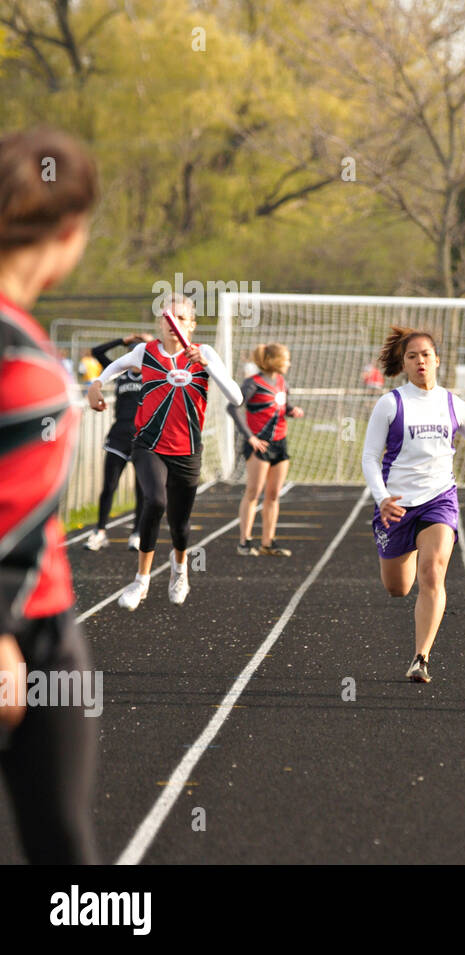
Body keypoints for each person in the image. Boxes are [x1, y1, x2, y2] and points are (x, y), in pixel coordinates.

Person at [0, 126, 100, 863]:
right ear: (69, 232)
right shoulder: (26, 366)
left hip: (37, 624)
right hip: (27, 631)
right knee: (64, 848)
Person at [88, 294, 255, 610]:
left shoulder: (204, 353)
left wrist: (207, 366)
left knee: (180, 525)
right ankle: (142, 580)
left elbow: (236, 398)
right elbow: (111, 369)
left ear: (191, 324)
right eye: (168, 318)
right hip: (148, 445)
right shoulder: (145, 352)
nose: (173, 324)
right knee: (155, 501)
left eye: (181, 318)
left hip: (187, 450)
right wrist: (95, 384)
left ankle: (180, 569)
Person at [361, 326, 465, 684]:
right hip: (398, 505)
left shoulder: (453, 403)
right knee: (398, 588)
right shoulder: (391, 403)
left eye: (425, 355)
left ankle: (421, 657)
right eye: (412, 356)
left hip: (440, 500)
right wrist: (381, 497)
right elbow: (370, 457)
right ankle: (399, 559)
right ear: (403, 364)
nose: (420, 361)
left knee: (433, 572)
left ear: (437, 359)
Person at [83, 332, 153, 552]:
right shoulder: (118, 372)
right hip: (118, 437)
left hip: (142, 438)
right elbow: (96, 353)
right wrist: (124, 340)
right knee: (109, 486)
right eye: (133, 350)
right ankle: (100, 532)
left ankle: (137, 533)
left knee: (141, 489)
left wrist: (151, 343)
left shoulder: (153, 375)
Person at [234, 343, 303, 557]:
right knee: (253, 492)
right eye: (286, 359)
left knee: (273, 495)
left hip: (280, 442)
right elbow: (233, 408)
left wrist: (292, 411)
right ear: (274, 361)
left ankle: (268, 542)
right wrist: (250, 438)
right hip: (259, 443)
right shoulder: (252, 383)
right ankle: (244, 542)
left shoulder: (282, 382)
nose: (289, 363)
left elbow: (283, 406)